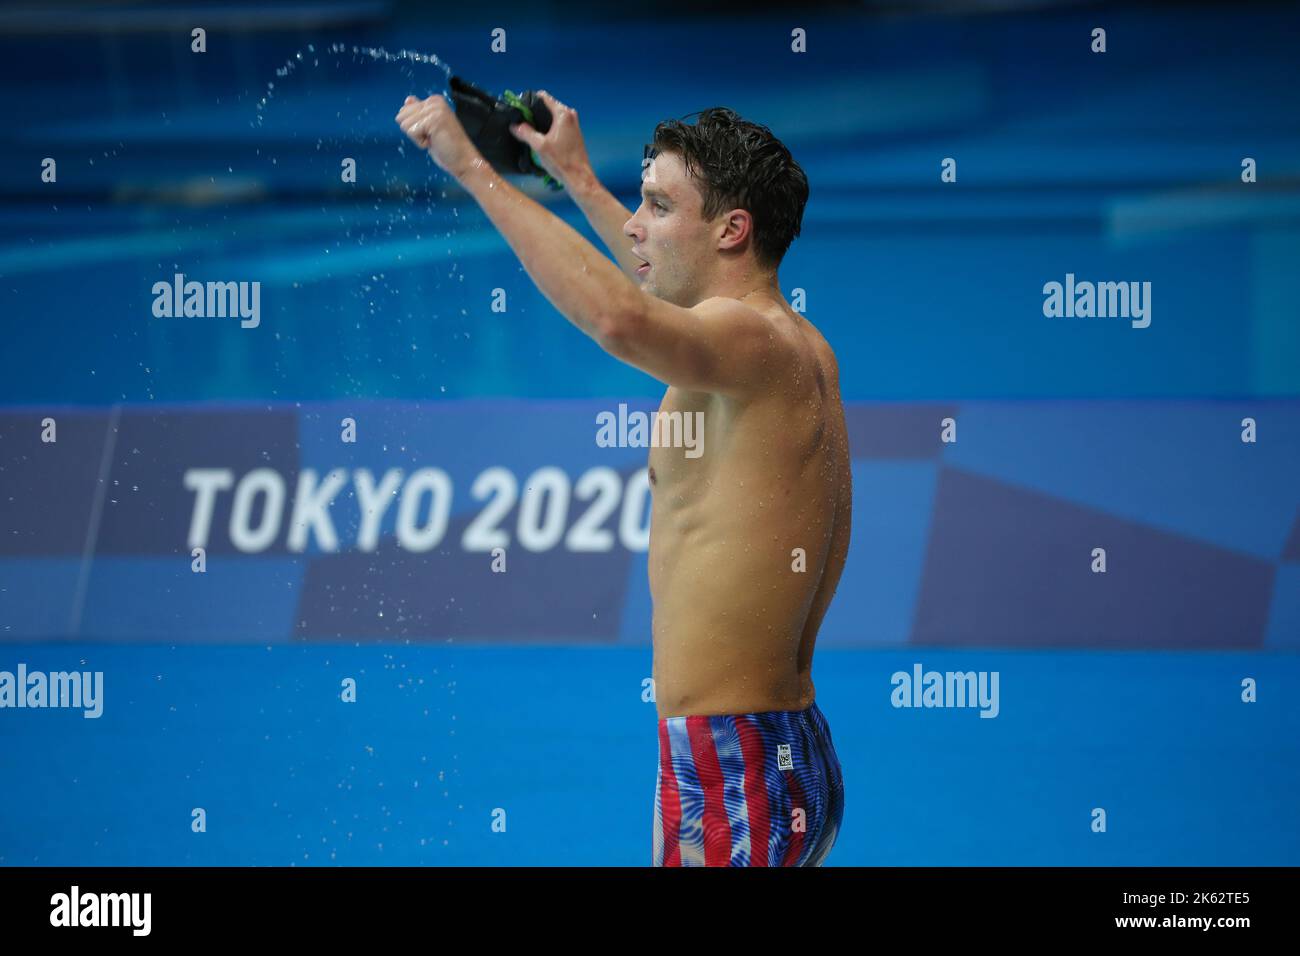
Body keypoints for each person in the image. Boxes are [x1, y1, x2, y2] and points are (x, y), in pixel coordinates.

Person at [397, 91, 850, 866]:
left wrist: (472, 169)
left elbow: (622, 319)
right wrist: (573, 174)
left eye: (658, 204)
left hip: (731, 759)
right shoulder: (783, 339)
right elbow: (655, 287)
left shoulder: (749, 342)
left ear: (732, 230)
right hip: (755, 747)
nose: (636, 225)